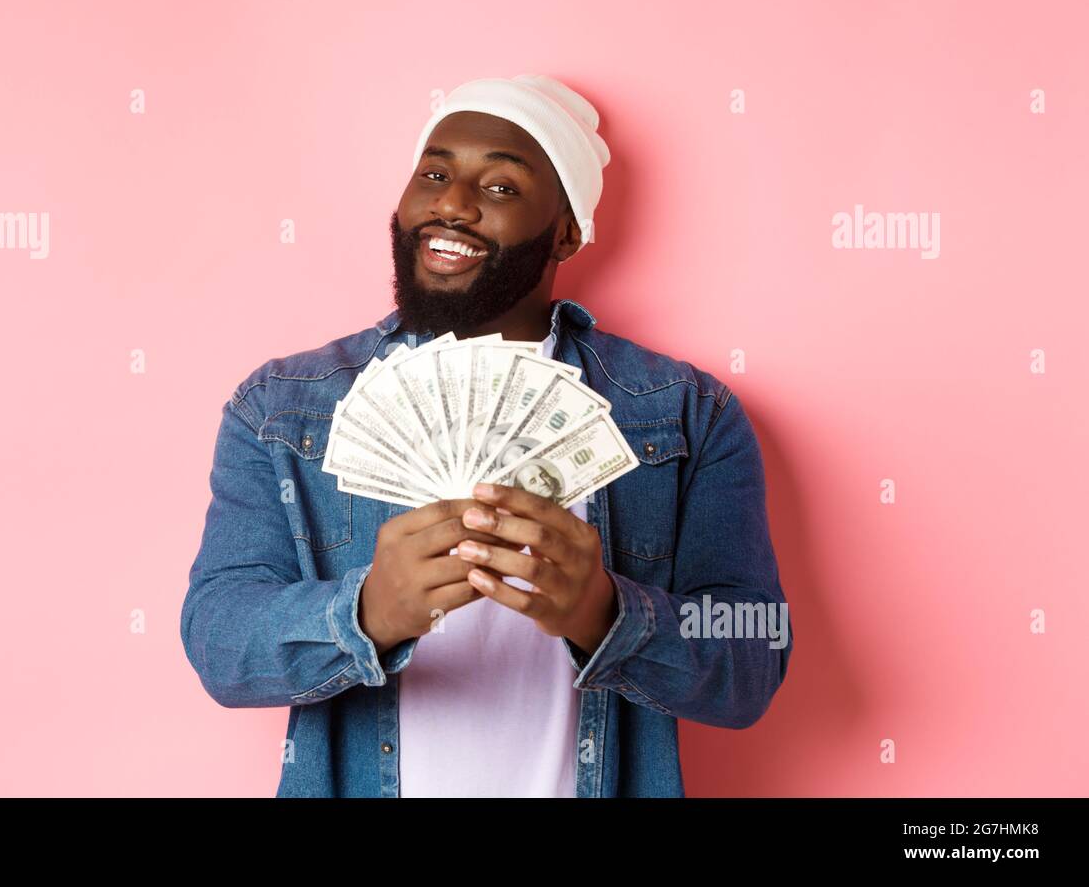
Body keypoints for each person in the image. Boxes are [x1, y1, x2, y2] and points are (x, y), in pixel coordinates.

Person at [180, 74, 793, 797]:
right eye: (434, 173)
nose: (452, 203)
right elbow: (219, 642)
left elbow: (751, 657)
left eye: (500, 187)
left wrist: (606, 613)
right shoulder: (282, 407)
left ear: (566, 231)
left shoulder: (688, 412)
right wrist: (369, 613)